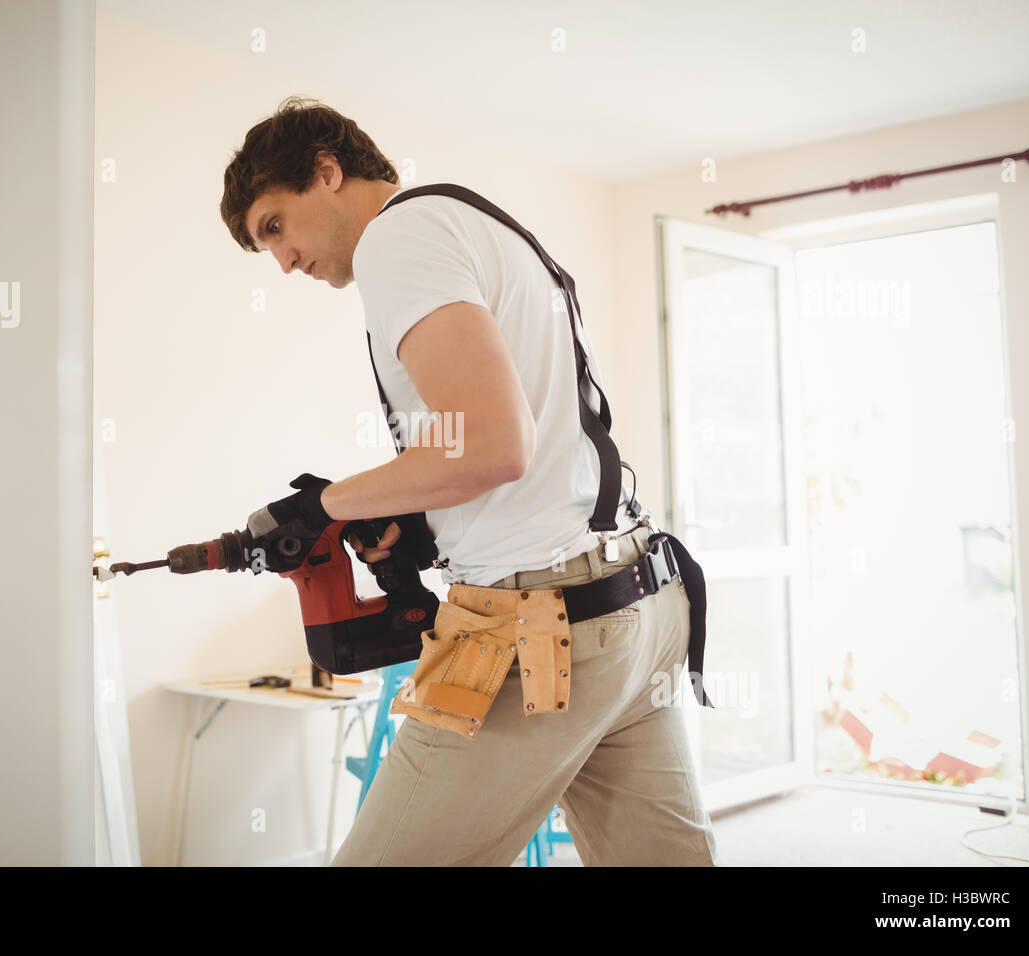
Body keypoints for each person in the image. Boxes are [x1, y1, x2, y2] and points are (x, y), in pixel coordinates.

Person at [220, 95, 718, 866]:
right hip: (638, 604)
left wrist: (319, 505)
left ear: (326, 172)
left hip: (545, 630)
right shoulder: (471, 224)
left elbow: (490, 446)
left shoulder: (399, 239)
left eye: (275, 226)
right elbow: (511, 444)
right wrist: (418, 520)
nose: (282, 260)